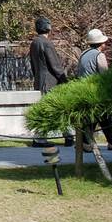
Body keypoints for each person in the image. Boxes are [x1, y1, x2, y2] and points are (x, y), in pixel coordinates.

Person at [77, 29, 112, 151]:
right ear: (101, 43)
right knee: (96, 117)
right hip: (96, 91)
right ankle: (86, 143)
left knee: (102, 117)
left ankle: (111, 142)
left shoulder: (83, 54)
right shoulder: (99, 55)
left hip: (83, 89)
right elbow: (104, 75)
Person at [29, 16, 74, 147]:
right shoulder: (46, 43)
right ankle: (40, 139)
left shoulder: (34, 43)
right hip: (51, 82)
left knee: (54, 109)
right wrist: (64, 80)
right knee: (54, 109)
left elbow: (33, 65)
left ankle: (67, 135)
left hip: (40, 80)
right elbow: (55, 65)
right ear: (48, 28)